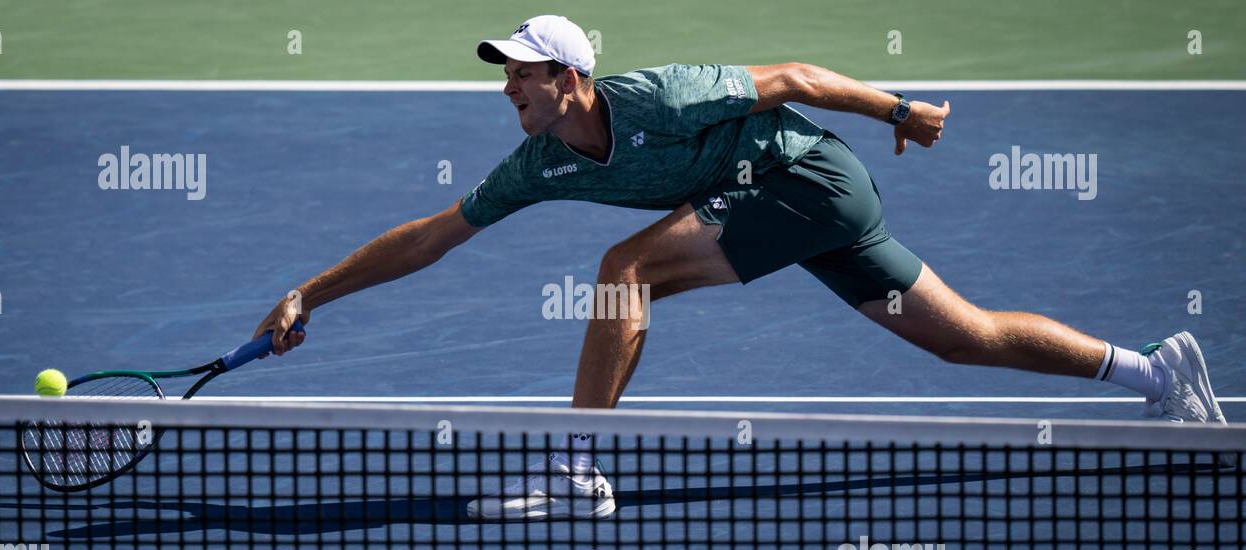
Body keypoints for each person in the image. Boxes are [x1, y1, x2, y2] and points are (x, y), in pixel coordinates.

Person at [253, 14, 1227, 521]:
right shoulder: (537, 162)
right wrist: (310, 292)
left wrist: (899, 109)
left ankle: (573, 470)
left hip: (807, 181)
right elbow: (430, 235)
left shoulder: (663, 99)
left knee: (623, 267)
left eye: (519, 69)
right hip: (793, 210)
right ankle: (1154, 371)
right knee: (959, 339)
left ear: (570, 78)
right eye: (503, 71)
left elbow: (796, 81)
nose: (505, 84)